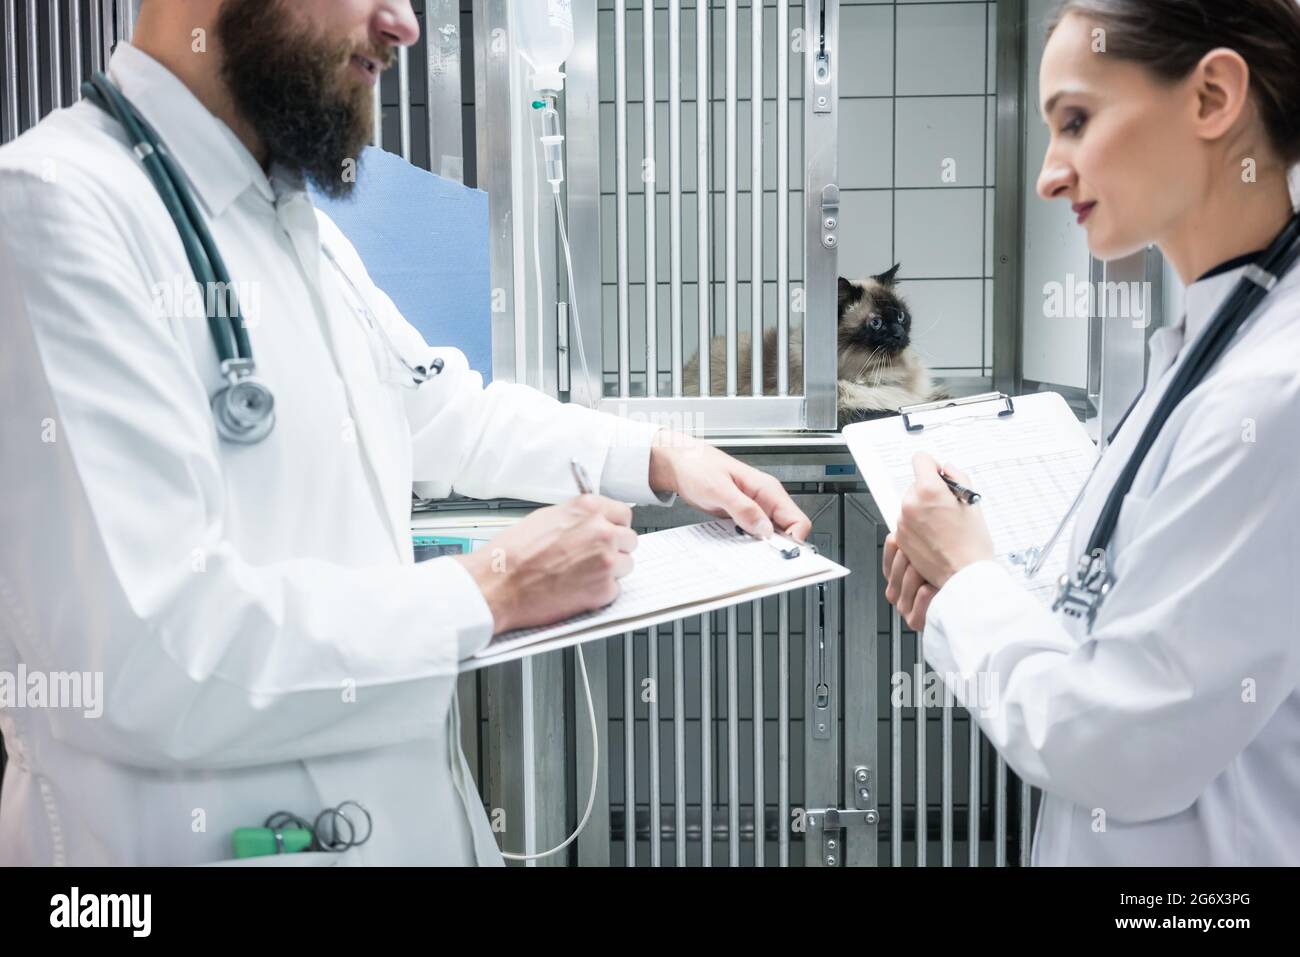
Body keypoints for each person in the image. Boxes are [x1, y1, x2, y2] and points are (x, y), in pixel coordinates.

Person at [0, 0, 811, 866]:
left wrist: (655, 454)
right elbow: (152, 654)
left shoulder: (288, 219)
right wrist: (492, 587)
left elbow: (436, 407)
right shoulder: (53, 210)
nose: (405, 24)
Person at [883, 0, 1300, 865]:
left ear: (1212, 96)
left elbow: (1122, 741)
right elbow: (1112, 627)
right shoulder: (1205, 347)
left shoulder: (1273, 392)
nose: (1049, 174)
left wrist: (968, 580)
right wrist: (973, 584)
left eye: (1076, 120)